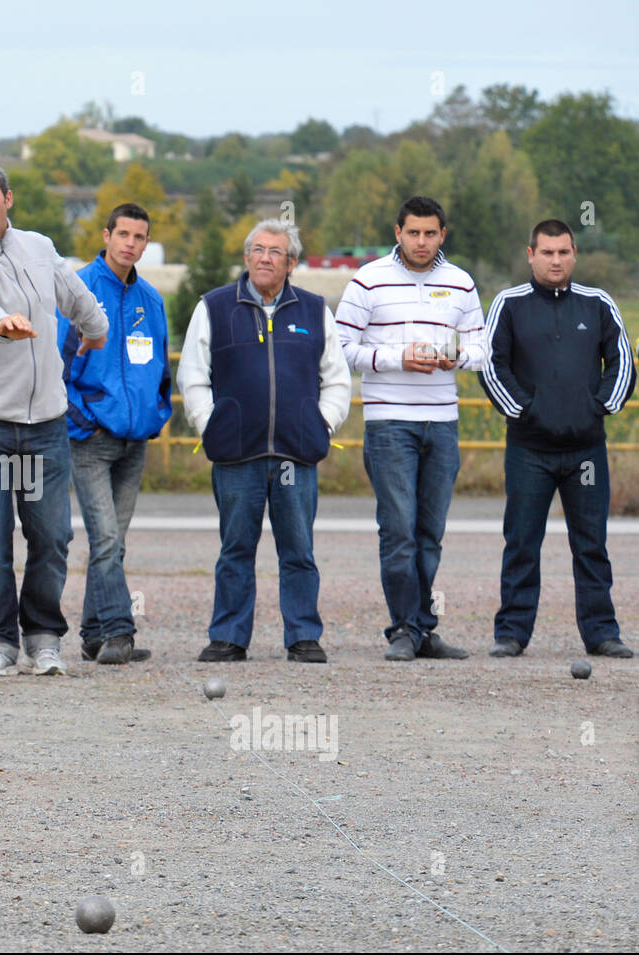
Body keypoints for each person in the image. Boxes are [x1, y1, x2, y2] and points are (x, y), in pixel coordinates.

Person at [0, 161, 108, 676]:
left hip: (46, 425)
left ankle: (43, 637)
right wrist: (1, 322)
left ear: (8, 198)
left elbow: (74, 296)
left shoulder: (39, 246)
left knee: (52, 536)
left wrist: (95, 328)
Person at [177, 219, 350, 663]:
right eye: (257, 249)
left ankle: (303, 636)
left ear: (291, 263)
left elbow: (337, 380)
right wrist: (209, 423)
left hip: (296, 454)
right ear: (246, 256)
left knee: (298, 549)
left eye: (275, 252)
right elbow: (193, 377)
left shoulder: (314, 311)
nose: (264, 258)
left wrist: (322, 425)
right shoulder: (214, 307)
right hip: (237, 454)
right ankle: (229, 636)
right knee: (235, 548)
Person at [336, 196, 486, 662]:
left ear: (443, 235)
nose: (421, 242)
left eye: (430, 233)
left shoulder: (460, 283)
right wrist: (395, 358)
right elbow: (340, 347)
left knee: (429, 531)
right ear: (397, 232)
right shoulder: (368, 279)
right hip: (388, 422)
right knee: (398, 528)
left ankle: (422, 628)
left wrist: (455, 357)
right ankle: (403, 627)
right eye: (413, 232)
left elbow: (482, 349)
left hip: (442, 421)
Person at [479, 218, 635, 658]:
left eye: (563, 251)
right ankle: (511, 633)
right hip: (529, 449)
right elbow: (492, 366)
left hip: (585, 451)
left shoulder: (598, 303)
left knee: (591, 545)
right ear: (530, 254)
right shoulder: (509, 304)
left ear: (574, 253)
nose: (555, 260)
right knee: (522, 542)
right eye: (546, 252)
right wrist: (526, 412)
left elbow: (622, 362)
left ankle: (602, 633)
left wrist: (597, 407)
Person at [57, 203, 171, 665]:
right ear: (106, 236)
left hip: (134, 441)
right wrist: (83, 421)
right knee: (104, 539)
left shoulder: (151, 300)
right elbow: (56, 367)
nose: (131, 243)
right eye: (123, 234)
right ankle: (120, 633)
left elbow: (161, 367)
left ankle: (91, 634)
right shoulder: (78, 289)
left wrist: (155, 414)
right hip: (90, 440)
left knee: (113, 543)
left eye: (139, 237)